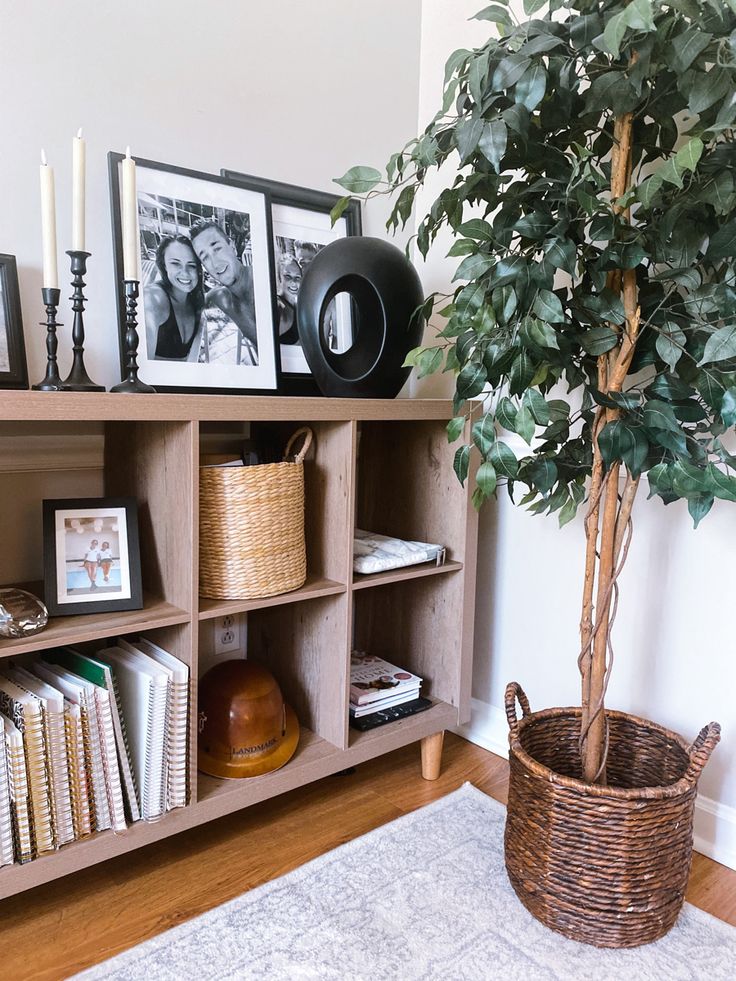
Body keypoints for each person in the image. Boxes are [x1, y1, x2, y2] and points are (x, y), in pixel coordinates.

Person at [189, 220, 259, 364]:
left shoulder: (264, 279)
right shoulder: (216, 299)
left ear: (232, 246)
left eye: (217, 248)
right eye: (205, 257)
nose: (215, 262)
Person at [144, 236, 205, 361]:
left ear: (199, 269)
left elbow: (191, 364)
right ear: (164, 265)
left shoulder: (197, 306)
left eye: (192, 265)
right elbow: (142, 368)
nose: (185, 272)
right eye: (175, 263)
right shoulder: (153, 300)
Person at [276, 253, 302, 345]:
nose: (293, 282)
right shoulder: (278, 306)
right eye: (287, 276)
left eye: (297, 277)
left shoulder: (297, 303)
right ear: (279, 278)